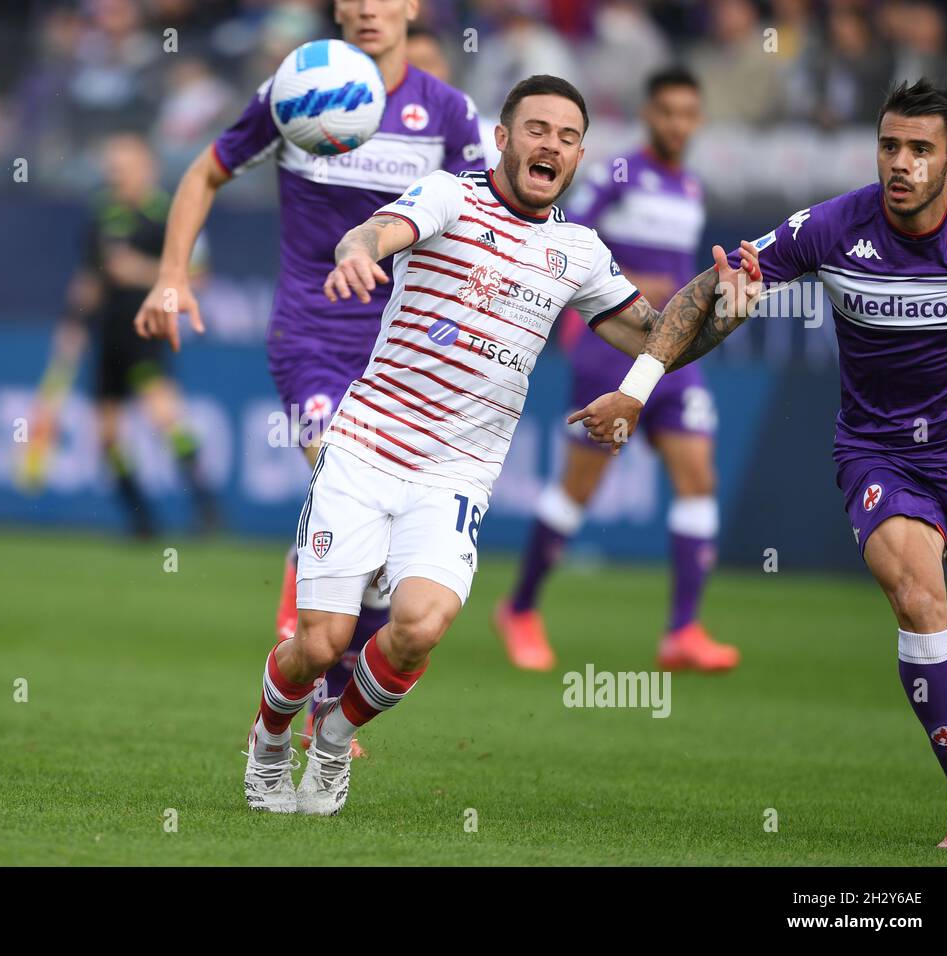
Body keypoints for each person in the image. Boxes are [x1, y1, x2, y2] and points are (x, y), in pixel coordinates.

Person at [242, 74, 761, 814]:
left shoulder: (579, 251)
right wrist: (358, 250)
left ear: (580, 154)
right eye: (538, 129)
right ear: (504, 138)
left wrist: (726, 308)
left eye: (568, 136)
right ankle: (266, 740)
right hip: (364, 447)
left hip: (455, 474)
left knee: (417, 629)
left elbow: (655, 338)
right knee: (321, 644)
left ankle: (331, 738)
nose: (551, 144)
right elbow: (376, 233)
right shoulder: (449, 196)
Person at [575, 79, 947, 850]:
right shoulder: (831, 226)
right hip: (882, 451)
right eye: (890, 145)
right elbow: (711, 294)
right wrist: (640, 385)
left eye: (921, 150)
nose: (901, 163)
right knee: (917, 596)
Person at [135, 1, 484, 754]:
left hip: (406, 358)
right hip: (310, 341)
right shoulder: (294, 87)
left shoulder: (450, 114)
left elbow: (487, 221)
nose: (367, 8)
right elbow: (203, 173)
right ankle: (322, 682)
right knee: (337, 477)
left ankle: (324, 653)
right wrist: (171, 276)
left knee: (388, 545)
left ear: (411, 8)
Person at [497, 66, 738, 673]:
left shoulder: (690, 188)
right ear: (647, 115)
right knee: (581, 486)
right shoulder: (620, 172)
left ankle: (682, 629)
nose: (677, 125)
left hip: (668, 352)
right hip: (610, 348)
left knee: (698, 477)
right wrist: (637, 282)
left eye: (688, 113)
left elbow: (683, 275)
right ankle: (520, 607)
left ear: (698, 120)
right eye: (666, 112)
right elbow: (570, 233)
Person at [56, 132, 218, 537]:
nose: (115, 177)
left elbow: (198, 278)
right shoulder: (101, 213)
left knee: (165, 418)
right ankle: (142, 521)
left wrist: (141, 271)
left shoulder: (170, 215)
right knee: (107, 437)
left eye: (123, 169)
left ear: (146, 168)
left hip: (146, 331)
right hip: (106, 332)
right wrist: (72, 324)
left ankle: (206, 507)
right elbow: (88, 279)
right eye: (111, 169)